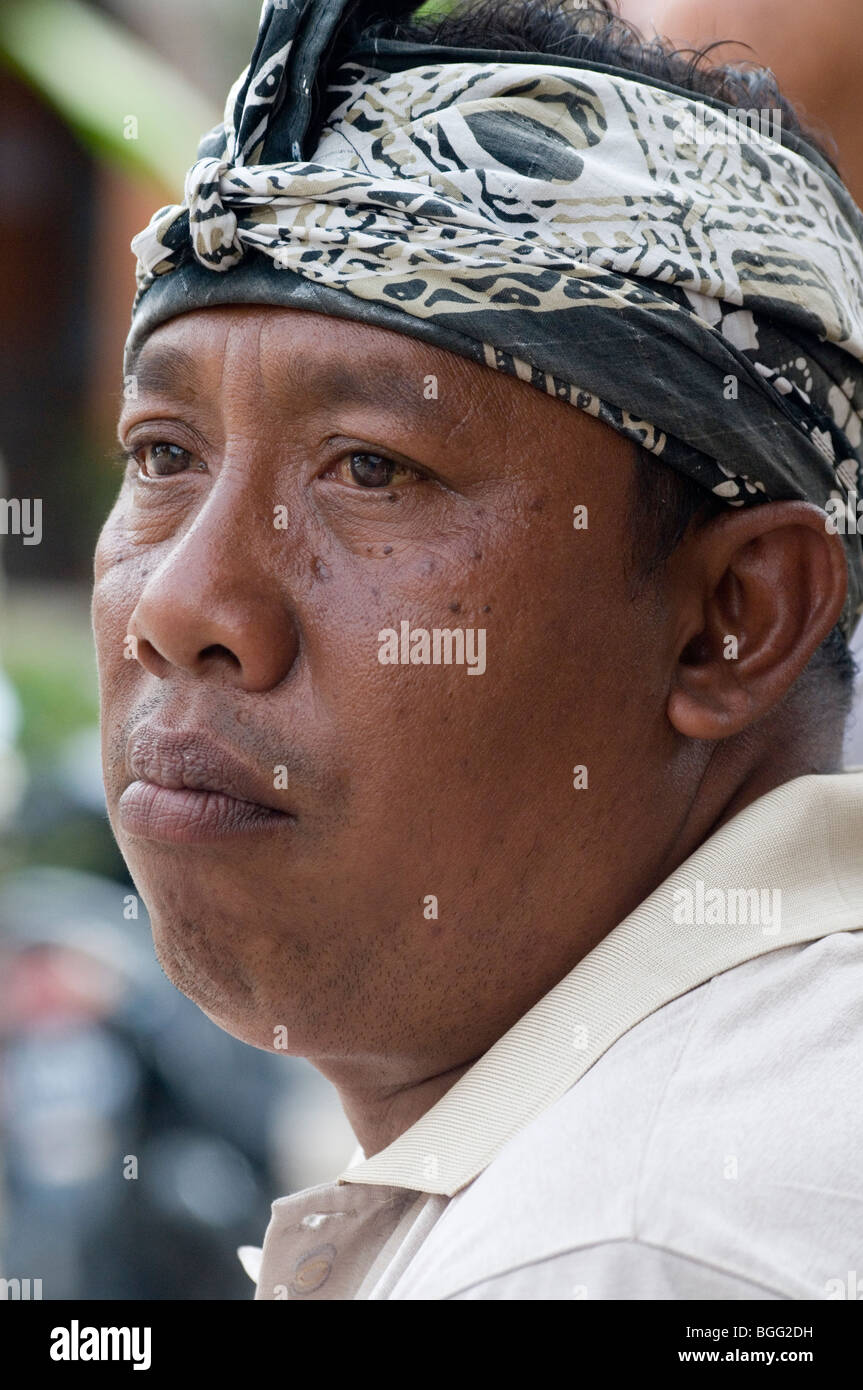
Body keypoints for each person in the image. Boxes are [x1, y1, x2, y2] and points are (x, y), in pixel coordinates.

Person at [93, 0, 863, 1299]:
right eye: (165, 454)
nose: (185, 602)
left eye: (373, 471)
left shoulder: (627, 1251)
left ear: (733, 617)